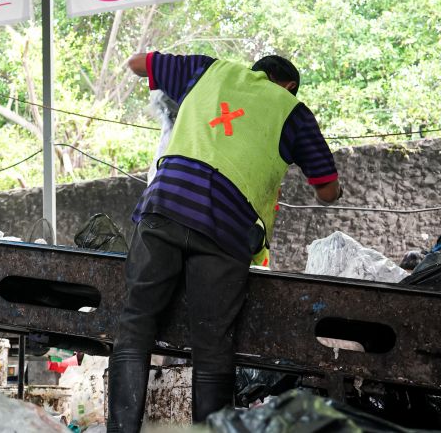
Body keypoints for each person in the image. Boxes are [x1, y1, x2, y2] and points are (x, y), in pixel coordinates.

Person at [107, 52, 341, 432]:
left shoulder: (208, 70)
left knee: (134, 329)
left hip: (165, 207)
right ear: (290, 86)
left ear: (255, 72)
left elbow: (135, 62)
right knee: (213, 346)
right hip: (225, 227)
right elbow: (327, 191)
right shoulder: (293, 111)